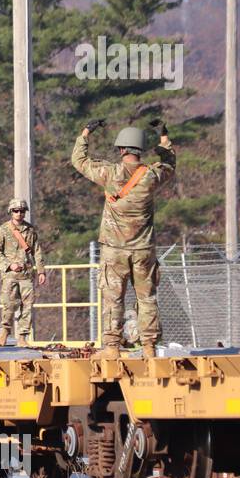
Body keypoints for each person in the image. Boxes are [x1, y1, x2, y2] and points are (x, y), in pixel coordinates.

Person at [71, 121, 176, 359]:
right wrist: (163, 138)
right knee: (146, 298)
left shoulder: (110, 173)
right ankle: (149, 347)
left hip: (114, 249)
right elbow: (169, 164)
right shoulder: (151, 176)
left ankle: (111, 348)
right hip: (143, 249)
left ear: (121, 150)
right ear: (140, 150)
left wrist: (85, 133)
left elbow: (79, 161)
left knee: (113, 299)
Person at [0, 198, 47, 346]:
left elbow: (37, 251)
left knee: (27, 306)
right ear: (11, 212)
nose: (19, 213)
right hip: (10, 275)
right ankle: (5, 331)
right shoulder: (4, 230)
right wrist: (9, 265)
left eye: (22, 211)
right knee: (9, 304)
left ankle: (22, 336)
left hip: (27, 275)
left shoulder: (30, 230)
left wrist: (41, 271)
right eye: (16, 211)